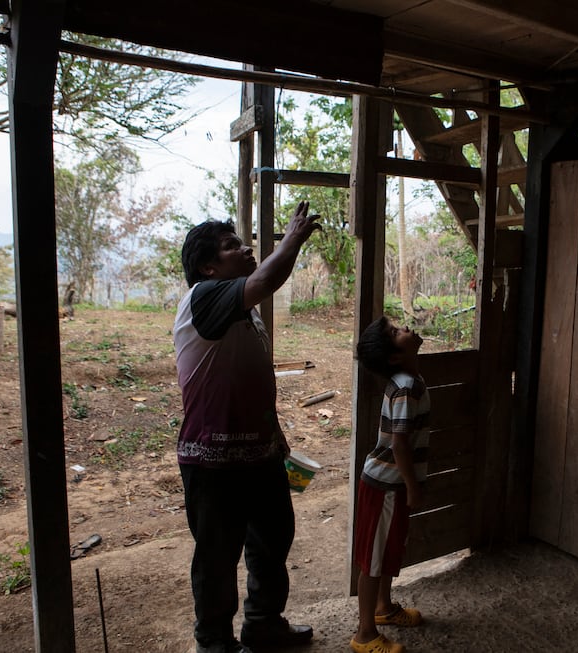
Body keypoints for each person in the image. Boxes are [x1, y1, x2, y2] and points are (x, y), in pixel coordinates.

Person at [174, 201, 321, 653]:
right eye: (230, 245)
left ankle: (262, 624)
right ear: (208, 267)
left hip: (260, 454)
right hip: (212, 462)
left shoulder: (246, 311)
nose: (244, 248)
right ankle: (214, 643)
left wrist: (277, 437)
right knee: (218, 557)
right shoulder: (204, 296)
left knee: (273, 540)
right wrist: (292, 238)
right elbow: (265, 280)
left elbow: (249, 377)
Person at [350, 316, 430, 653]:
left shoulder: (409, 380)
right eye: (396, 332)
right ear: (395, 356)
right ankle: (365, 635)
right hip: (386, 486)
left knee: (387, 551)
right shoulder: (406, 387)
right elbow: (399, 444)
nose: (406, 328)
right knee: (373, 560)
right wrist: (413, 486)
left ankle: (383, 608)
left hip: (391, 486)